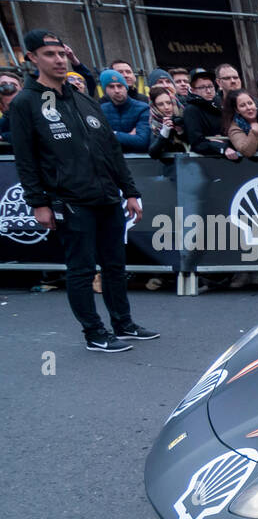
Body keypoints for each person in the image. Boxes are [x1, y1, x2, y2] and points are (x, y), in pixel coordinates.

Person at [9, 29, 155, 352]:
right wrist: (38, 203)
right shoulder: (25, 103)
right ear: (32, 58)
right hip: (70, 201)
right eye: (50, 54)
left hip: (107, 197)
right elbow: (26, 159)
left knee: (116, 265)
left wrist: (129, 191)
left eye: (62, 53)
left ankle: (123, 323)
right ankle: (94, 333)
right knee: (82, 269)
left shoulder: (83, 98)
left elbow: (111, 149)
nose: (59, 60)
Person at [99, 69, 150, 152]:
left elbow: (142, 142)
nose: (117, 90)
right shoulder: (101, 110)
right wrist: (129, 137)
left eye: (120, 86)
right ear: (105, 90)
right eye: (111, 87)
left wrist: (112, 134)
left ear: (126, 88)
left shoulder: (143, 108)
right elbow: (98, 142)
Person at [181, 69, 226, 156]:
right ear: (193, 90)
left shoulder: (220, 105)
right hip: (206, 160)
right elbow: (197, 143)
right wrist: (218, 145)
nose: (208, 91)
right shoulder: (191, 110)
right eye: (202, 87)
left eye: (210, 86)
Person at [147, 84, 187, 158]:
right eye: (160, 104)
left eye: (169, 103)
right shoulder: (154, 123)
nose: (166, 107)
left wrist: (180, 131)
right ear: (155, 107)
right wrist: (164, 133)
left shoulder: (184, 114)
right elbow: (153, 153)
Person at [222, 88, 258, 160]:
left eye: (250, 103)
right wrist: (254, 131)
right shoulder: (234, 128)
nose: (249, 108)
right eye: (242, 105)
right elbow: (247, 151)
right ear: (237, 110)